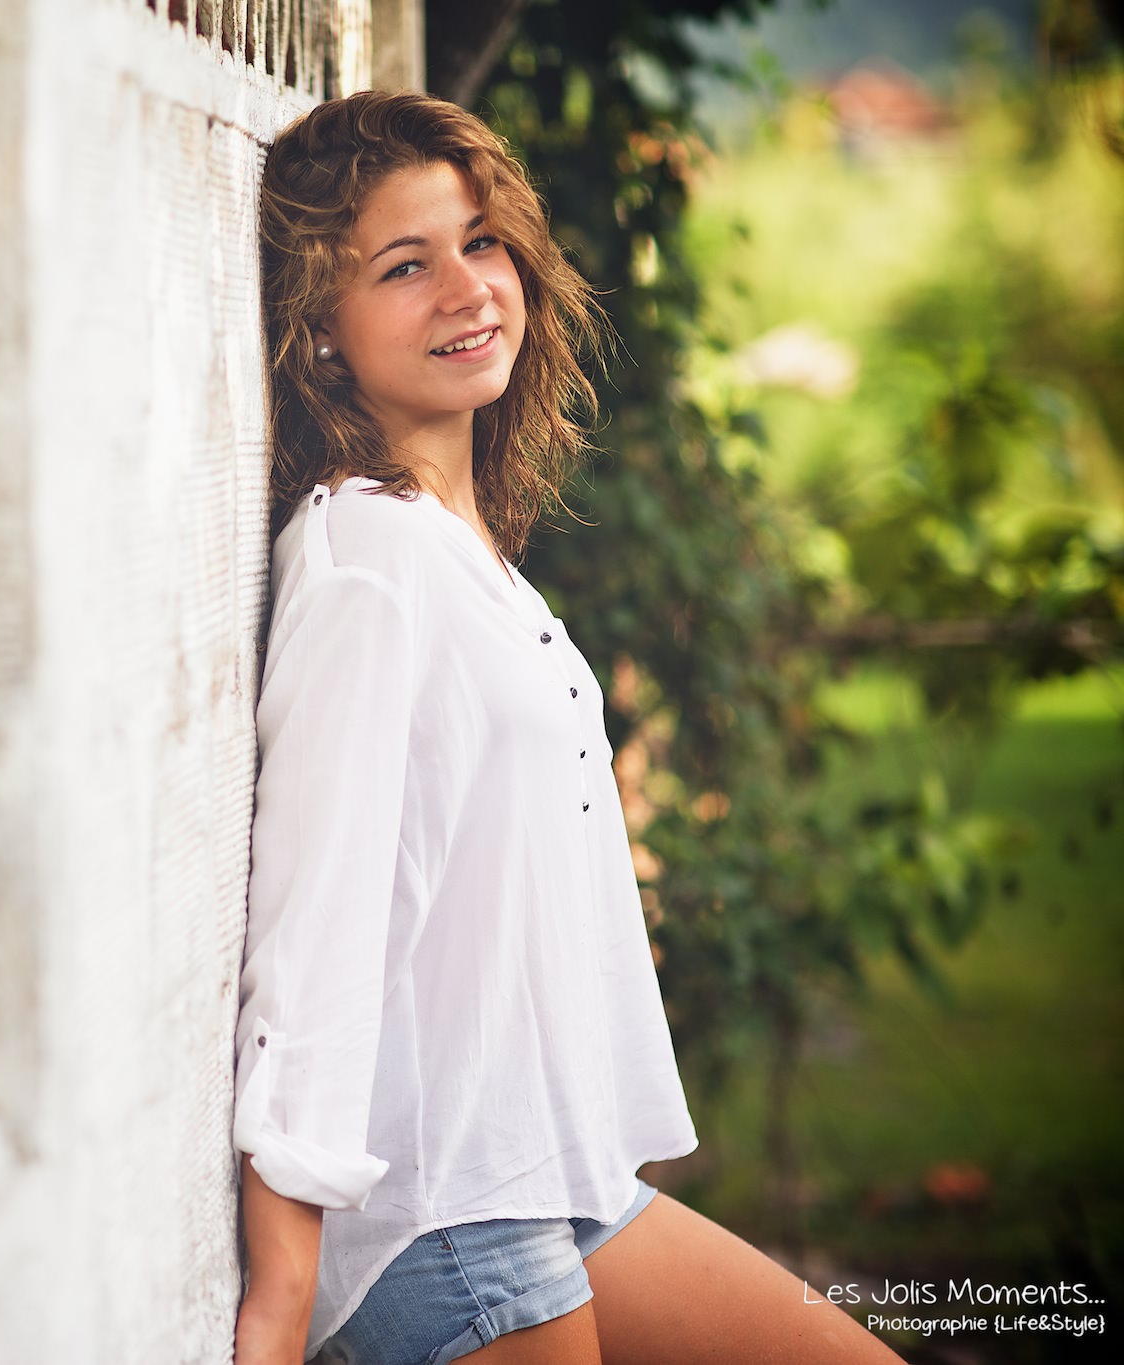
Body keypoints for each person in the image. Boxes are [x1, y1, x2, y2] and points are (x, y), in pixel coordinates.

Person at [231, 91, 902, 1365]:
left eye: (481, 242)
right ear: (320, 326)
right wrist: (278, 1299)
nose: (466, 288)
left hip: (543, 1173)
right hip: (441, 1216)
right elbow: (311, 934)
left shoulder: (454, 545)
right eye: (402, 265)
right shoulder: (368, 557)